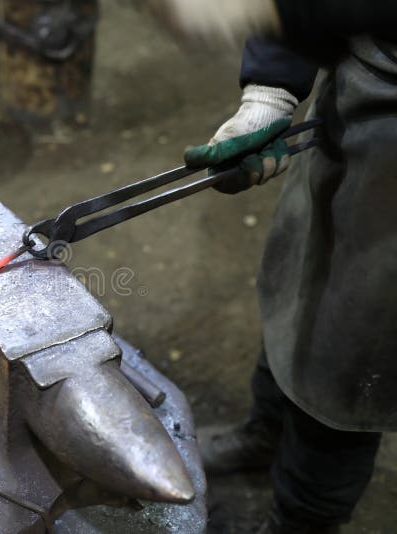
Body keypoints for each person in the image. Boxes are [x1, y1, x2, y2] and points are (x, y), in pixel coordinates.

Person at [147, 2, 397, 533]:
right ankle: (267, 431)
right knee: (297, 279)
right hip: (358, 89)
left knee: (352, 354)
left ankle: (303, 518)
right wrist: (270, 90)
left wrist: (272, 9)